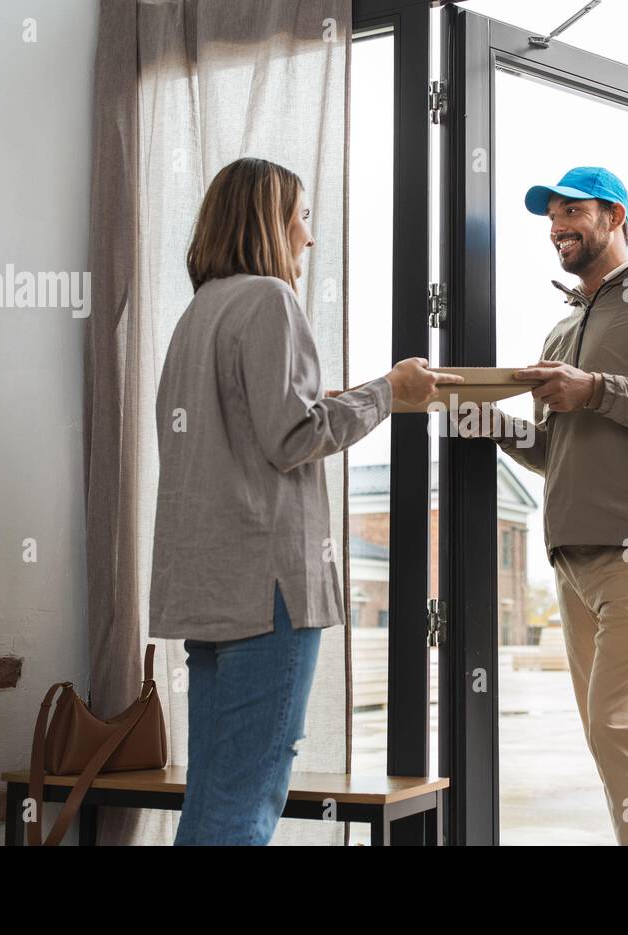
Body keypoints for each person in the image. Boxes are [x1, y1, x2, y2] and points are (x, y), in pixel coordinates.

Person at [149, 157, 461, 845]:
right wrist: (390, 392)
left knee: (211, 797)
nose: (308, 236)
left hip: (210, 586)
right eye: (302, 217)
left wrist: (331, 400)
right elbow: (294, 436)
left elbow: (249, 429)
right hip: (270, 587)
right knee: (246, 799)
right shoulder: (268, 300)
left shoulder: (196, 315)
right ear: (269, 220)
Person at [470, 166, 628, 845]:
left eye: (572, 210)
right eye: (551, 214)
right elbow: (554, 449)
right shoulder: (562, 332)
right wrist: (491, 425)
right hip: (572, 556)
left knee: (619, 724)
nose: (557, 224)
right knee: (605, 728)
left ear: (613, 216)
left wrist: (596, 390)